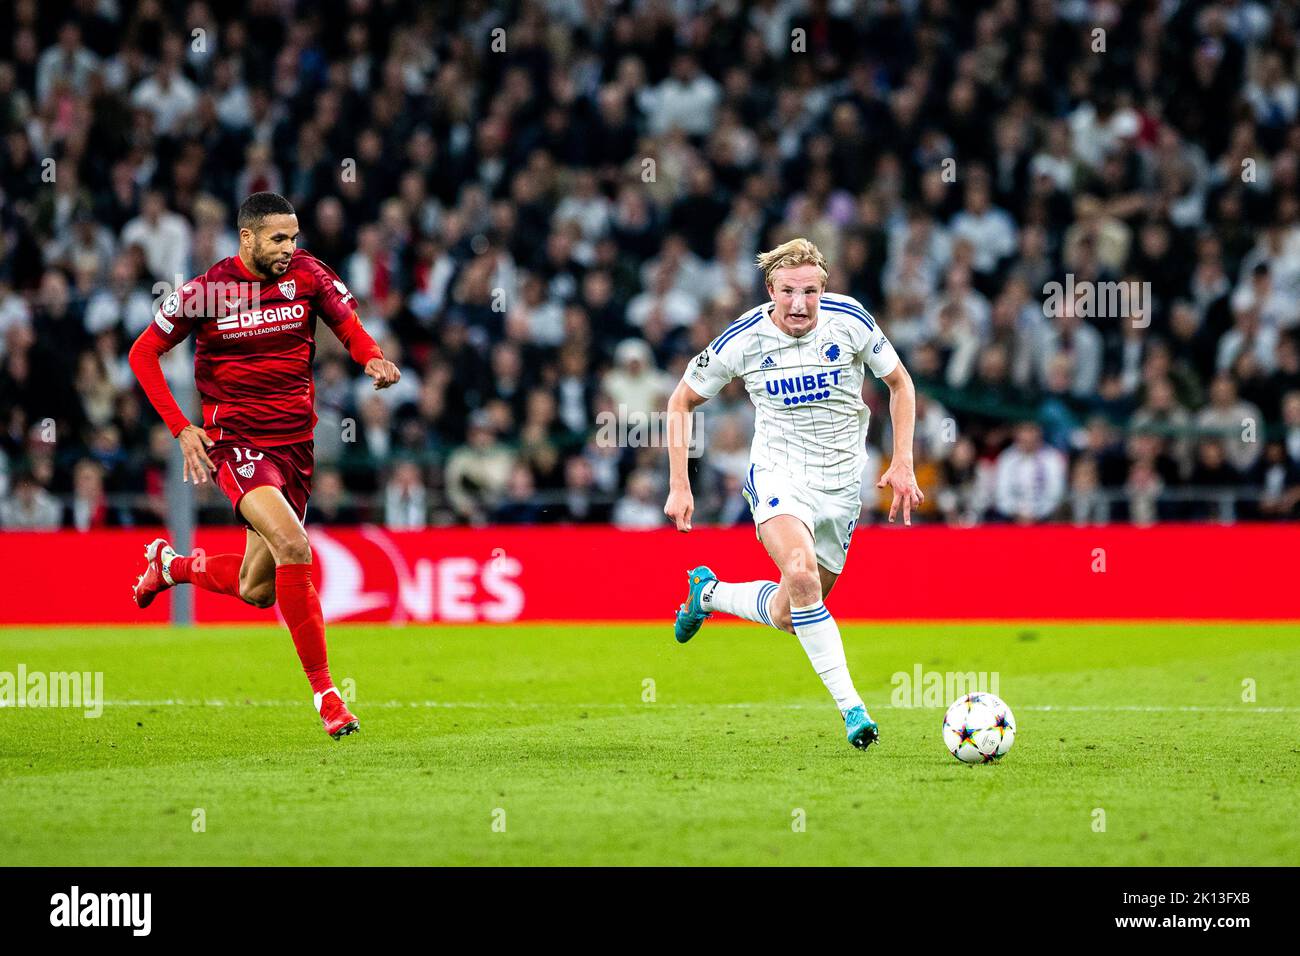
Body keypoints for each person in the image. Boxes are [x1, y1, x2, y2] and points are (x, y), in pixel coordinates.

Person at [126, 192, 401, 739]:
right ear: (246, 238)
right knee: (294, 546)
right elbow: (142, 352)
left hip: (296, 448)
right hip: (237, 444)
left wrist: (369, 355)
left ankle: (172, 566)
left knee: (259, 589)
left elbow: (348, 325)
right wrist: (183, 428)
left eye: (294, 237)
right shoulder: (207, 292)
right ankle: (327, 696)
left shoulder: (308, 275)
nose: (289, 247)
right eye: (279, 238)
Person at [663, 238, 923, 749]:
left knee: (791, 611)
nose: (800, 304)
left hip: (843, 486)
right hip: (779, 474)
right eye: (788, 292)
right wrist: (679, 482)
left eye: (810, 292)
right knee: (800, 574)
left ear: (824, 288)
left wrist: (903, 459)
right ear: (770, 290)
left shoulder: (850, 321)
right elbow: (680, 402)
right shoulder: (744, 339)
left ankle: (708, 594)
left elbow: (901, 384)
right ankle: (854, 711)